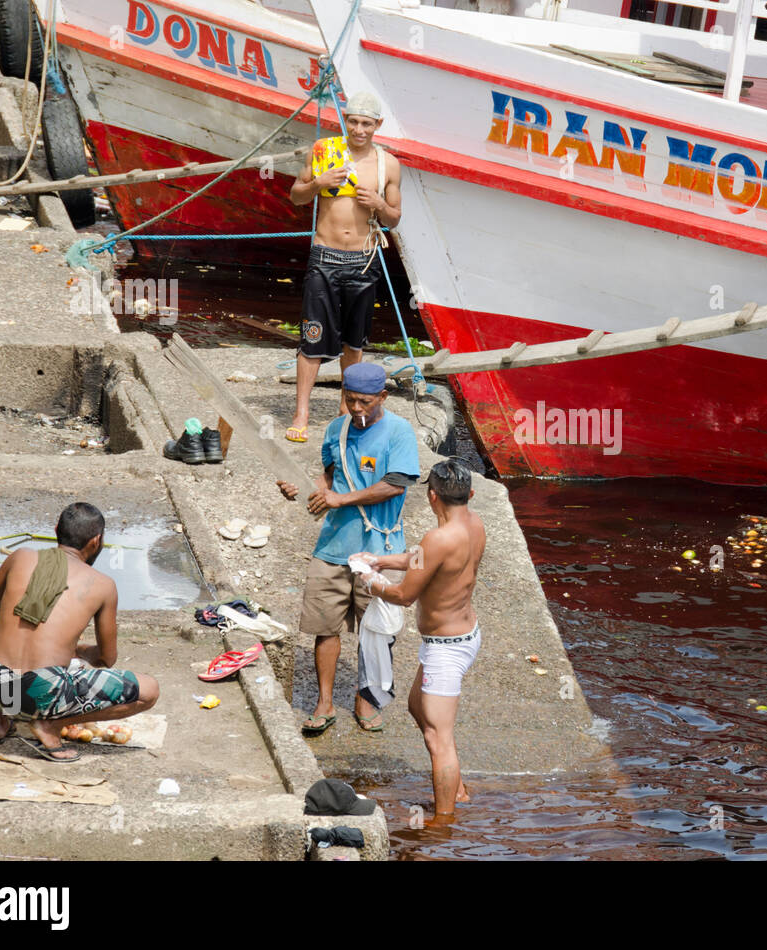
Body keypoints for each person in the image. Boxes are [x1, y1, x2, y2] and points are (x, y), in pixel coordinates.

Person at [277, 362, 420, 734]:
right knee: (324, 627)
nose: (356, 408)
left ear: (383, 397)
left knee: (377, 631)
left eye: (365, 402)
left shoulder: (399, 433)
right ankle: (324, 702)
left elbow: (394, 485)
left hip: (379, 549)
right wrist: (301, 487)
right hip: (333, 546)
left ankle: (366, 698)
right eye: (350, 399)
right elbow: (328, 474)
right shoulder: (335, 430)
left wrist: (341, 500)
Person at [0, 503, 160, 763]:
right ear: (96, 541)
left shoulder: (20, 556)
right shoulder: (104, 585)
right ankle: (50, 727)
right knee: (149, 690)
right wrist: (77, 650)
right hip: (43, 696)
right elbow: (106, 659)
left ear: (56, 530)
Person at [355, 458, 487, 824]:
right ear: (470, 494)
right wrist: (381, 560)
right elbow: (423, 561)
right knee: (418, 707)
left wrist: (369, 581)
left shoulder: (438, 538)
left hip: (448, 649)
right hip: (461, 636)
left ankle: (444, 822)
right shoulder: (474, 524)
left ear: (431, 497)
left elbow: (402, 596)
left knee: (437, 738)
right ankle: (456, 788)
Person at [285, 90, 403, 444]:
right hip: (325, 256)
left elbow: (395, 219)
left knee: (354, 343)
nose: (359, 129)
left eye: (367, 123)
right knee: (313, 341)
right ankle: (301, 413)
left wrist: (379, 203)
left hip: (363, 260)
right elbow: (296, 195)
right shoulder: (324, 151)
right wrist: (320, 183)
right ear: (345, 121)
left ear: (377, 125)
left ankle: (343, 410)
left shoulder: (388, 164)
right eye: (353, 121)